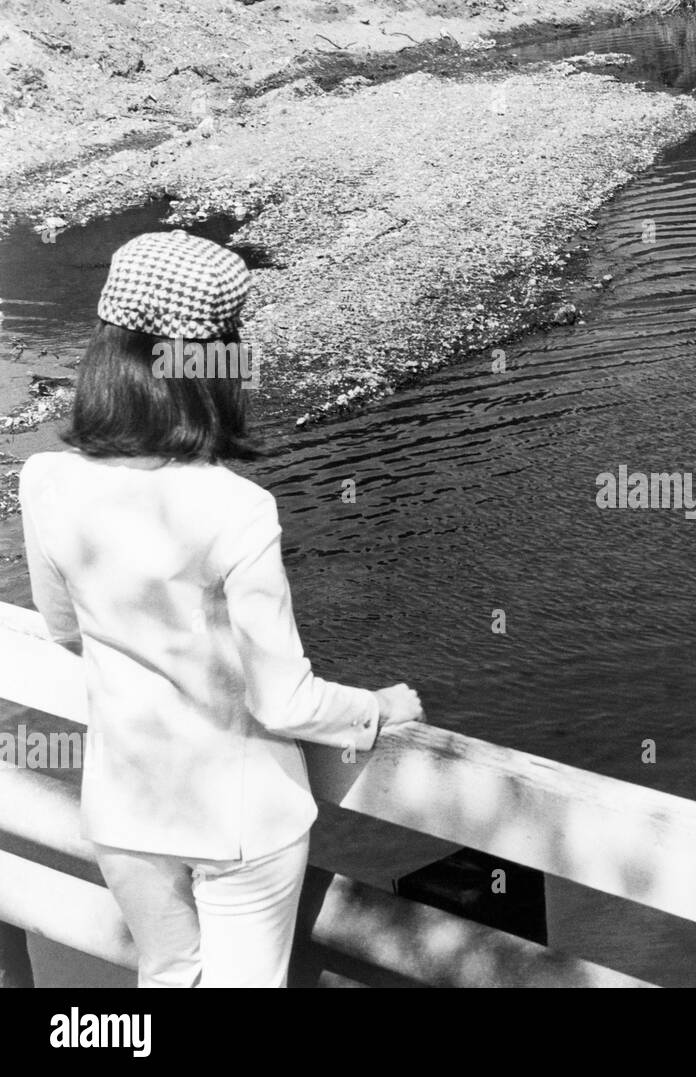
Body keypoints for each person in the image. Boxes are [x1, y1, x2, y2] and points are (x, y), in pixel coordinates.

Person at [19, 230, 424, 988]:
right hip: (237, 817)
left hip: (123, 807)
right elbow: (284, 698)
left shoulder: (44, 478)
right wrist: (375, 706)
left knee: (168, 978)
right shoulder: (236, 507)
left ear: (107, 346)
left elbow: (65, 627)